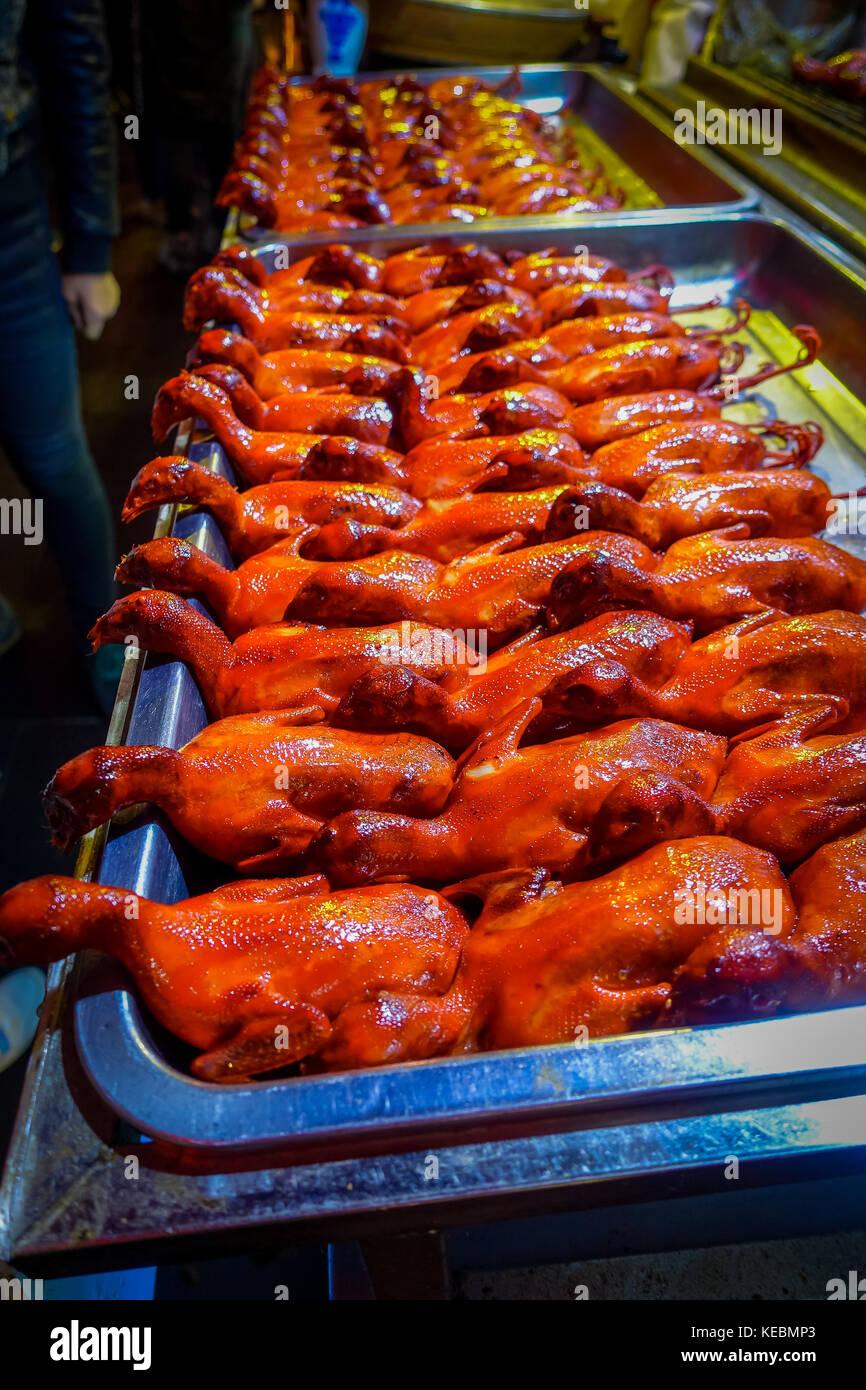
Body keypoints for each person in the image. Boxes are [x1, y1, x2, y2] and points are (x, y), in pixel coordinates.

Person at [0, 0, 122, 711]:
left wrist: (91, 244)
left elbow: (75, 49)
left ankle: (102, 638)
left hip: (9, 221)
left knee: (51, 450)